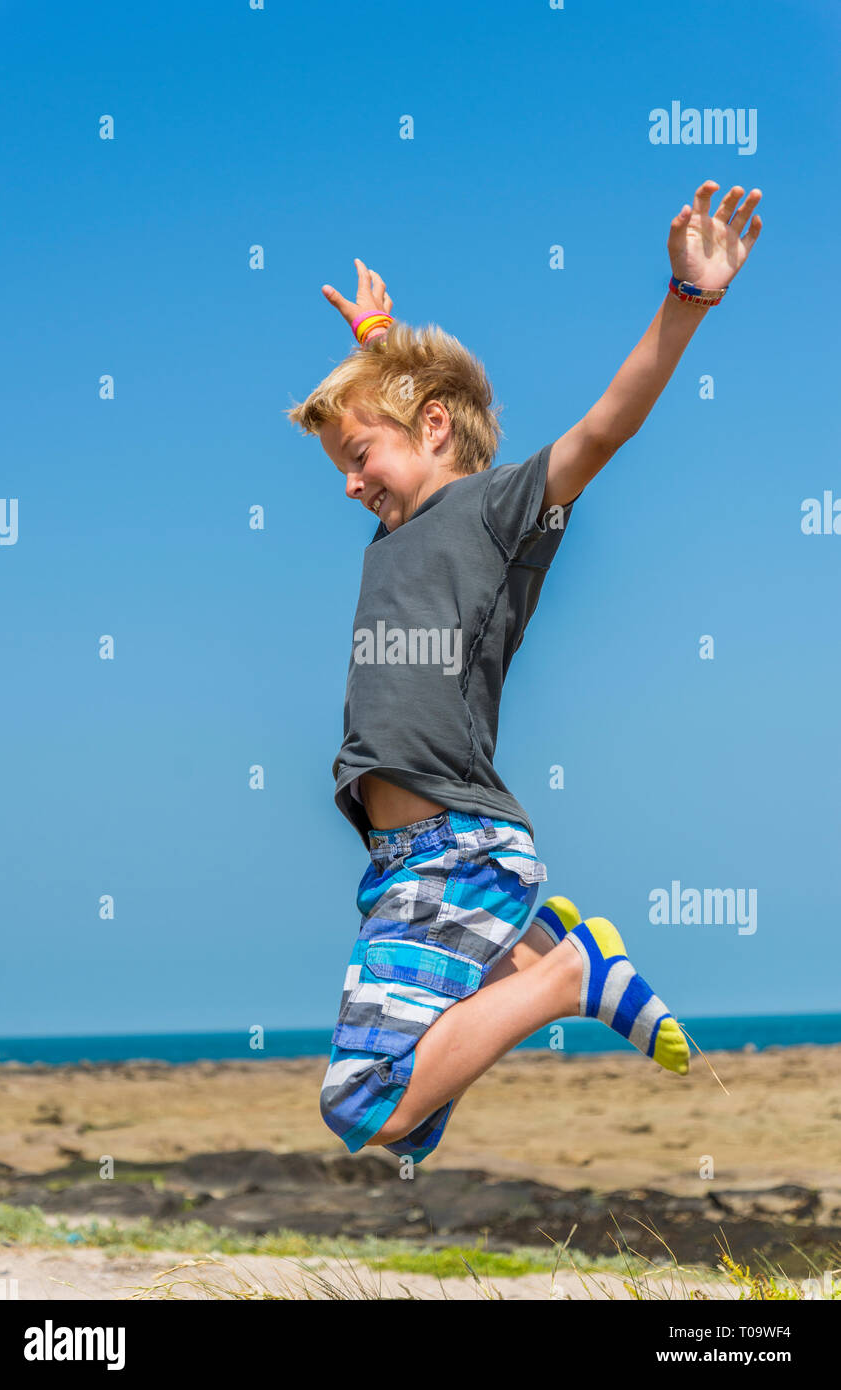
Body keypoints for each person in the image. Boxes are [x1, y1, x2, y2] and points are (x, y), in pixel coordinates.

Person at [285, 180, 762, 1163]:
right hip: (406, 863)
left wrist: (689, 298)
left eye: (359, 454)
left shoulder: (500, 513)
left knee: (370, 1103)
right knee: (411, 1108)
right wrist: (379, 335)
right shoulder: (403, 518)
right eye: (340, 463)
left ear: (432, 432)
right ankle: (541, 944)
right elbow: (409, 397)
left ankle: (565, 971)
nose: (348, 481)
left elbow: (606, 426)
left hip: (457, 846)